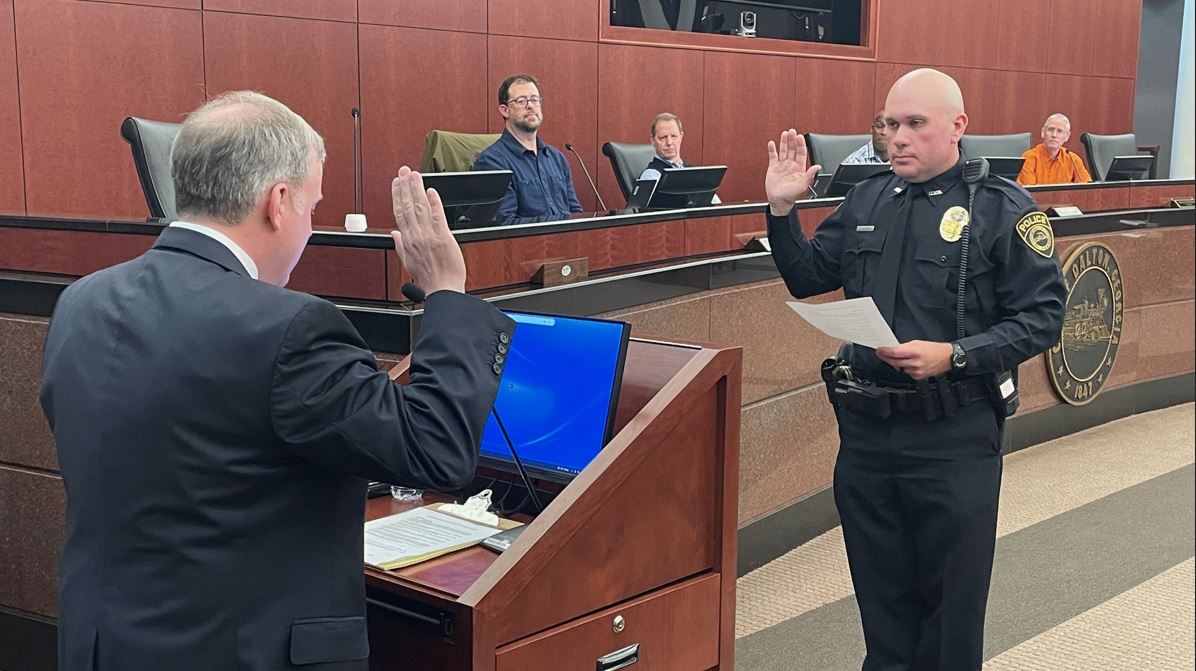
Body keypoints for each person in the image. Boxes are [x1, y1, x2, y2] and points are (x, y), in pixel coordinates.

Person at [39, 91, 515, 671]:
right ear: (279, 201)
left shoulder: (82, 302)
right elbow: (436, 450)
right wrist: (445, 292)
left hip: (102, 644)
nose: (309, 227)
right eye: (313, 207)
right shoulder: (288, 327)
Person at [763, 69, 1065, 670]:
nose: (896, 138)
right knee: (883, 604)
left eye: (914, 124)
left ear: (957, 126)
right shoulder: (869, 198)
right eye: (890, 125)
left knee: (949, 613)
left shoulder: (1003, 207)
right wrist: (781, 209)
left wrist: (955, 354)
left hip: (953, 436)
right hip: (869, 434)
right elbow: (808, 275)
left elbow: (1044, 317)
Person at [473, 74, 582, 224]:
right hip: (529, 245)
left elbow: (575, 212)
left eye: (535, 100)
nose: (530, 106)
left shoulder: (557, 158)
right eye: (521, 101)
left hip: (568, 242)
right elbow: (504, 224)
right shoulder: (492, 162)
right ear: (505, 110)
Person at [638, 112, 720, 203]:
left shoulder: (694, 172)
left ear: (681, 137)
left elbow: (716, 204)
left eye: (674, 136)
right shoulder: (651, 175)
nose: (669, 142)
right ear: (652, 140)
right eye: (663, 137)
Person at [1017, 113, 1092, 185]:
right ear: (1043, 132)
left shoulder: (1073, 159)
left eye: (1059, 131)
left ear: (1067, 136)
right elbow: (1028, 193)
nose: (1054, 135)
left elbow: (1086, 189)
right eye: (1050, 130)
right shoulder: (1029, 158)